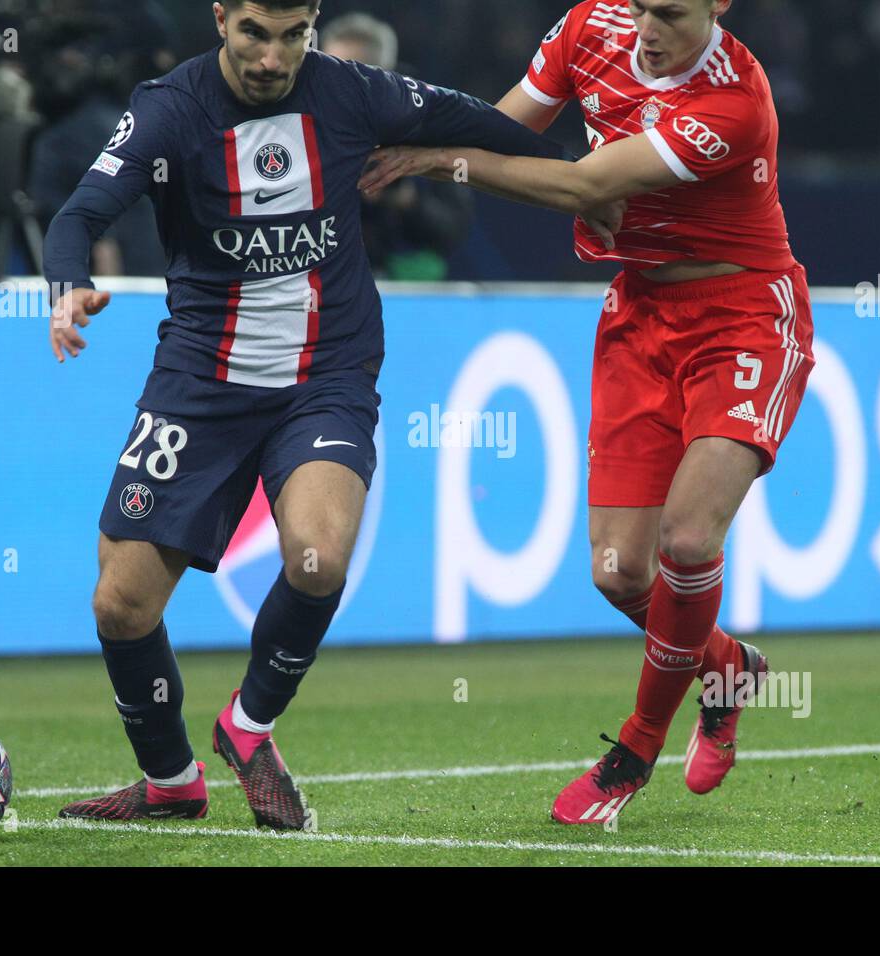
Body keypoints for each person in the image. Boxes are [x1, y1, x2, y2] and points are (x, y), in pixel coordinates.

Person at [43, 0, 567, 829]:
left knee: (318, 558)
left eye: (293, 35)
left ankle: (248, 730)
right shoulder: (168, 110)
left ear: (313, 24)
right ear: (221, 18)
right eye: (255, 33)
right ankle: (171, 782)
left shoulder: (353, 93)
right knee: (121, 605)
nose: (271, 57)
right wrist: (67, 283)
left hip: (325, 374)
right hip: (201, 385)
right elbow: (79, 213)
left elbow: (478, 120)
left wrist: (587, 185)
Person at [360, 0, 811, 824]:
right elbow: (498, 130)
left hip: (743, 316)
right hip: (639, 318)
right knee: (619, 573)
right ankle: (726, 667)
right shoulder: (587, 28)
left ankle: (633, 753)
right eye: (639, 6)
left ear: (718, 5)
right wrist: (445, 140)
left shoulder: (735, 101)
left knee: (686, 538)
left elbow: (580, 182)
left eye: (670, 13)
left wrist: (437, 161)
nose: (646, 28)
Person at [321, 12, 473, 281]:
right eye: (329, 69)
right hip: (329, 279)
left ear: (385, 73)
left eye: (352, 72)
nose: (338, 83)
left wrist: (408, 202)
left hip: (411, 284)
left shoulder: (429, 131)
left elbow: (452, 231)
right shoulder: (306, 126)